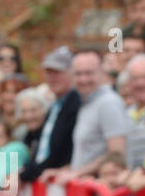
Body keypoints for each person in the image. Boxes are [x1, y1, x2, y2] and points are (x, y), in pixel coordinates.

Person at [48, 48, 130, 183]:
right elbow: (89, 155)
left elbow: (116, 152)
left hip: (102, 191)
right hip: (85, 189)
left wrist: (76, 174)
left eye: (89, 73)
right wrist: (65, 171)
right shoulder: (88, 102)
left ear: (102, 73)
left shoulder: (108, 102)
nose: (83, 79)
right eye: (78, 74)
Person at [18, 47, 80, 184]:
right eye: (49, 72)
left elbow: (61, 152)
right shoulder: (54, 105)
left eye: (58, 72)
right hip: (44, 179)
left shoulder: (76, 104)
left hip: (61, 182)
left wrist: (28, 172)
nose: (52, 77)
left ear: (71, 73)